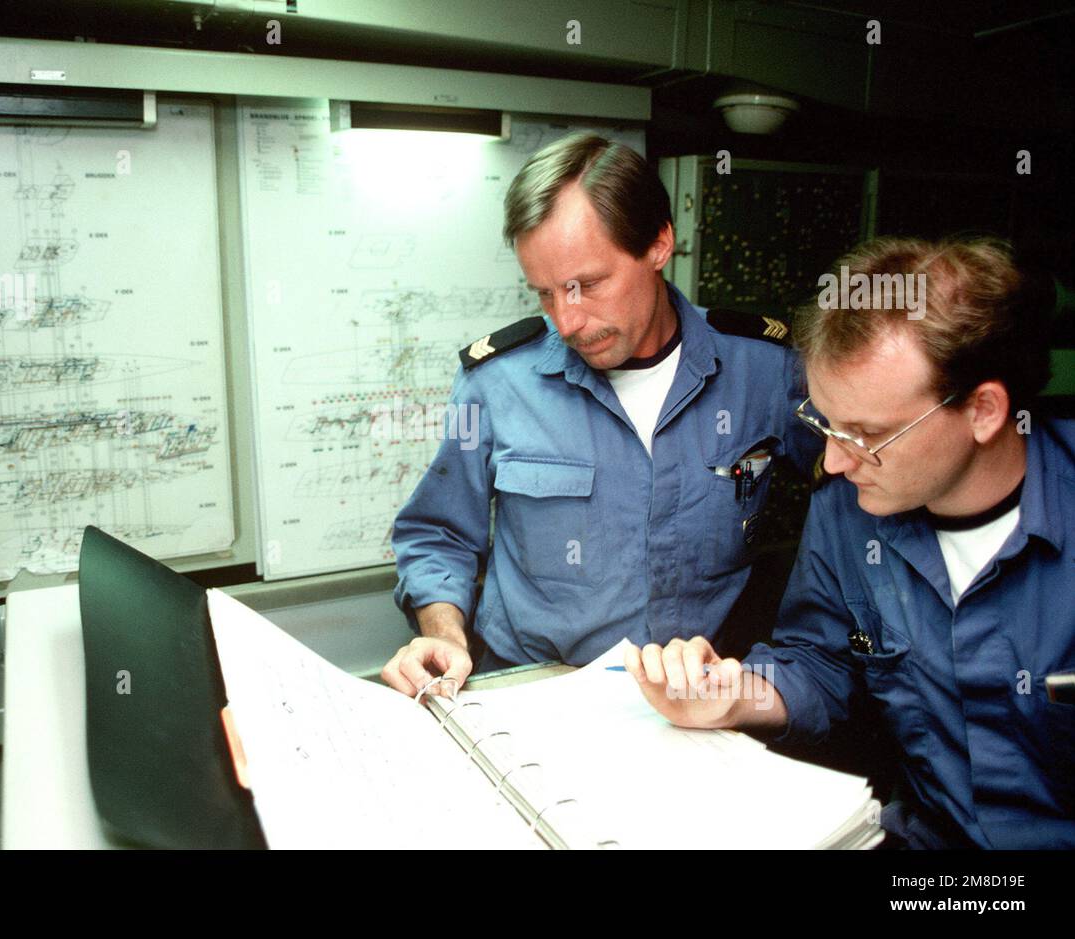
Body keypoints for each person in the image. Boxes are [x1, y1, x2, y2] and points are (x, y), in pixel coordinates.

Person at [626, 236, 1073, 848]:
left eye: (864, 434)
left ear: (984, 411)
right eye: (825, 425)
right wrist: (730, 695)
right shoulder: (849, 515)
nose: (833, 462)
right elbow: (821, 662)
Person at [382, 132, 819, 698]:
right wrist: (446, 633)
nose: (567, 321)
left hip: (700, 709)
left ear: (660, 244)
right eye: (545, 293)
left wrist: (799, 652)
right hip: (533, 694)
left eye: (587, 285)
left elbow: (856, 501)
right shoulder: (494, 382)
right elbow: (439, 532)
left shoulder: (765, 371)